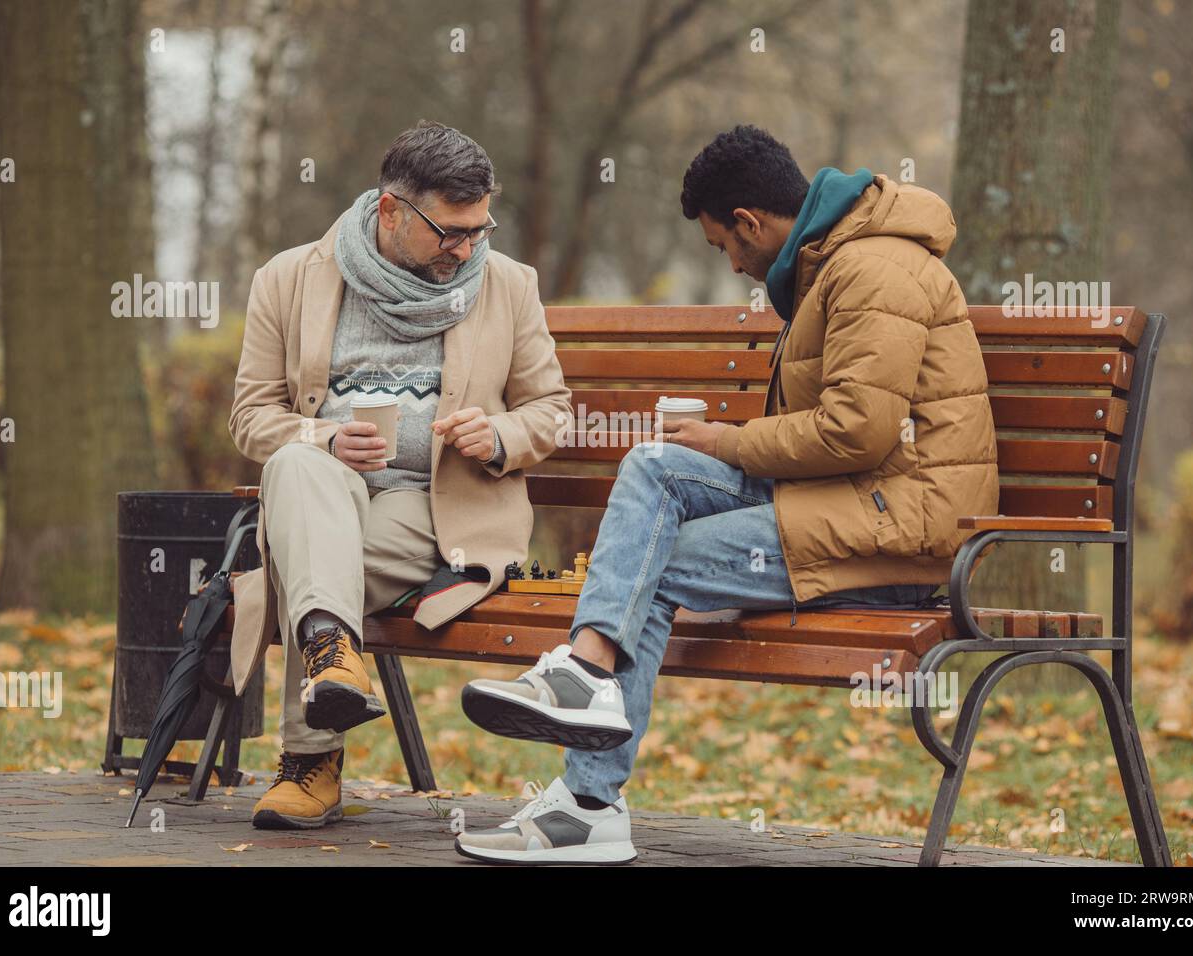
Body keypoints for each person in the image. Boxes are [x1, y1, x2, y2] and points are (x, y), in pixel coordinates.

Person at [454, 124, 998, 865]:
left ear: (748, 221)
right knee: (653, 465)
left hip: (902, 534)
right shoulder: (830, 263)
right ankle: (584, 676)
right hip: (851, 504)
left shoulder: (874, 270)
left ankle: (589, 802)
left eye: (724, 247)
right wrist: (716, 444)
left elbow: (858, 434)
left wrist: (728, 440)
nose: (735, 264)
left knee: (657, 563)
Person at [226, 120, 571, 829]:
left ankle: (310, 760)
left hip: (441, 505)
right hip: (324, 491)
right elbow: (251, 418)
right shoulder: (290, 278)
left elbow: (552, 413)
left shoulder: (508, 285)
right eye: (450, 231)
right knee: (296, 459)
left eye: (479, 229)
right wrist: (320, 435)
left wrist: (498, 433)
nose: (467, 247)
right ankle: (331, 668)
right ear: (391, 210)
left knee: (308, 563)